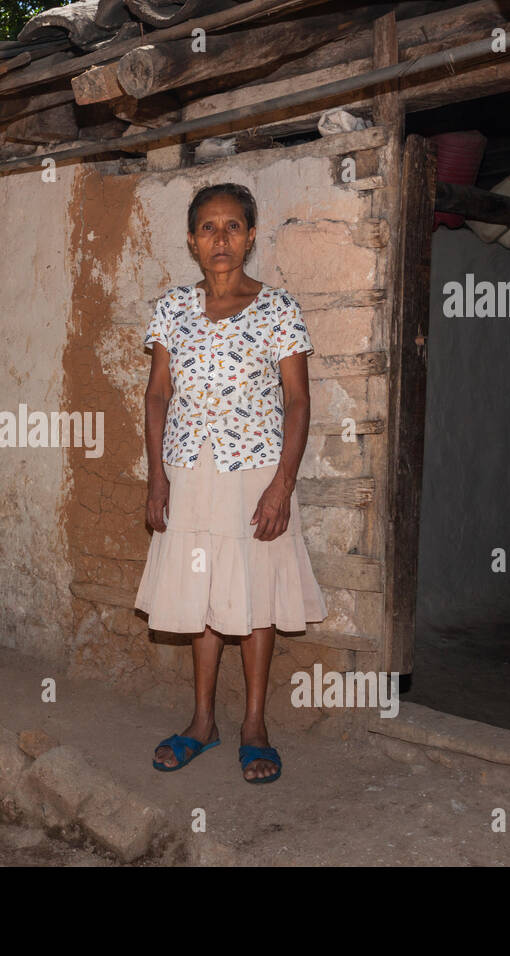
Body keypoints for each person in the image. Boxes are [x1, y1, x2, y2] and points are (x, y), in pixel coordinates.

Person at [134, 182, 327, 784]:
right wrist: (157, 477)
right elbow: (158, 394)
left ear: (249, 235)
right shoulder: (172, 309)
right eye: (208, 228)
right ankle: (201, 723)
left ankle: (253, 727)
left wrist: (282, 486)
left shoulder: (278, 309)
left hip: (254, 479)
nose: (221, 238)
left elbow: (297, 402)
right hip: (189, 476)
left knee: (255, 600)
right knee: (203, 600)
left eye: (233, 227)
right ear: (192, 241)